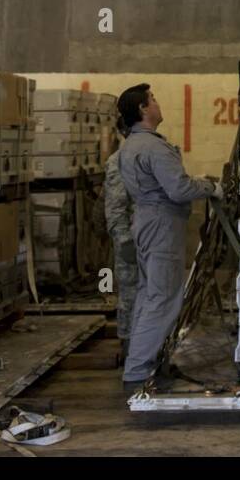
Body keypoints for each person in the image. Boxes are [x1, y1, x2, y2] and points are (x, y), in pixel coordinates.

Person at [116, 83, 221, 393]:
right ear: (143, 109)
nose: (159, 104)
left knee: (151, 296)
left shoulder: (131, 146)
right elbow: (178, 189)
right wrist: (208, 188)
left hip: (147, 222)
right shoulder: (153, 147)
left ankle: (145, 364)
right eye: (154, 100)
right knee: (163, 299)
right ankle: (137, 373)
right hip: (162, 224)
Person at [103, 115, 136, 361]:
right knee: (130, 295)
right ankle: (128, 350)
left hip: (149, 241)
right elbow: (115, 208)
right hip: (131, 242)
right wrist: (124, 241)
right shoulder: (119, 162)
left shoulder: (145, 157)